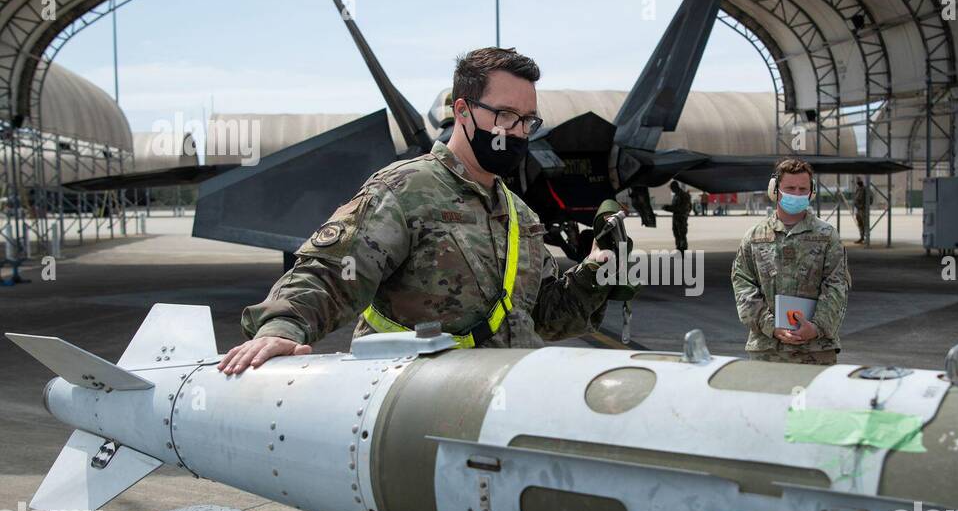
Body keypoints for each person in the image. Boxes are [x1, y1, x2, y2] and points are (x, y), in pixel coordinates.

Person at [219, 47, 613, 374]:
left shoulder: (520, 215)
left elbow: (544, 315)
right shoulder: (406, 190)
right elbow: (330, 274)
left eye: (527, 120)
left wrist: (598, 270)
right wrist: (284, 328)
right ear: (463, 111)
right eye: (505, 115)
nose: (517, 131)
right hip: (414, 409)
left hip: (500, 407)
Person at [731, 158, 850, 365]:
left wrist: (816, 327)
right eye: (790, 188)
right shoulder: (754, 237)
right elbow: (743, 284)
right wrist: (771, 326)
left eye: (802, 189)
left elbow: (836, 286)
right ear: (775, 190)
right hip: (767, 349)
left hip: (816, 350)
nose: (796, 194)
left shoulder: (827, 236)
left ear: (811, 192)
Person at [669, 180, 691, 253]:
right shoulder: (676, 195)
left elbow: (685, 207)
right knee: (676, 234)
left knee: (682, 234)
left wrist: (669, 208)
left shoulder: (683, 195)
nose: (671, 190)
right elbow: (675, 206)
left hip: (681, 218)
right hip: (676, 218)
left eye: (671, 188)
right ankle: (678, 249)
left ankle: (683, 250)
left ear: (675, 187)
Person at [852, 177, 867, 244]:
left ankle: (867, 238)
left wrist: (863, 206)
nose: (858, 182)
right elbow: (856, 199)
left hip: (863, 210)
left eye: (859, 181)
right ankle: (862, 237)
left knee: (865, 224)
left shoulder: (865, 189)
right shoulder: (858, 189)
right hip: (858, 209)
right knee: (860, 224)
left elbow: (870, 199)